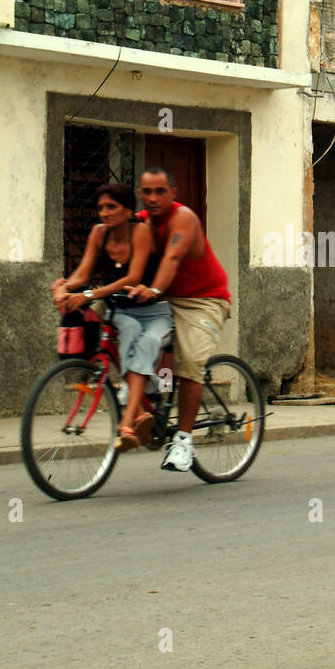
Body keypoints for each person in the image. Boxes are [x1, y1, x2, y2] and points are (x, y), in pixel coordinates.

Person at [50, 182, 172, 452]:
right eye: (101, 208)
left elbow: (133, 277)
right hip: (122, 311)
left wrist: (90, 296)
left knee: (147, 342)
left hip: (155, 313)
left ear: (128, 210)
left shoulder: (140, 232)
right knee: (126, 334)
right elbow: (82, 274)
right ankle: (141, 409)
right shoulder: (98, 233)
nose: (104, 213)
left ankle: (128, 422)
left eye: (111, 207)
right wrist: (64, 288)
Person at [126, 166, 231, 472]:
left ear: (173, 194)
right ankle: (144, 390)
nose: (153, 198)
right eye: (147, 191)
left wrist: (154, 288)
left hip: (203, 300)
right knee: (117, 324)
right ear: (139, 194)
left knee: (189, 364)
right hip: (164, 300)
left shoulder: (183, 218)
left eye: (160, 191)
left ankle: (183, 441)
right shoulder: (140, 224)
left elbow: (172, 258)